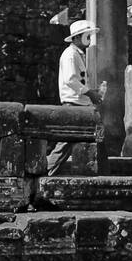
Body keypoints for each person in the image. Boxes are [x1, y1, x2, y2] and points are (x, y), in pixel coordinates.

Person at [48, 19, 105, 173]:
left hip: (81, 104)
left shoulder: (78, 54)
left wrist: (91, 92)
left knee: (94, 135)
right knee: (66, 142)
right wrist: (90, 92)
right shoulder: (71, 55)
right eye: (87, 35)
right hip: (74, 104)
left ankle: (95, 169)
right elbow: (70, 79)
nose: (90, 38)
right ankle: (46, 170)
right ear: (77, 38)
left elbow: (77, 80)